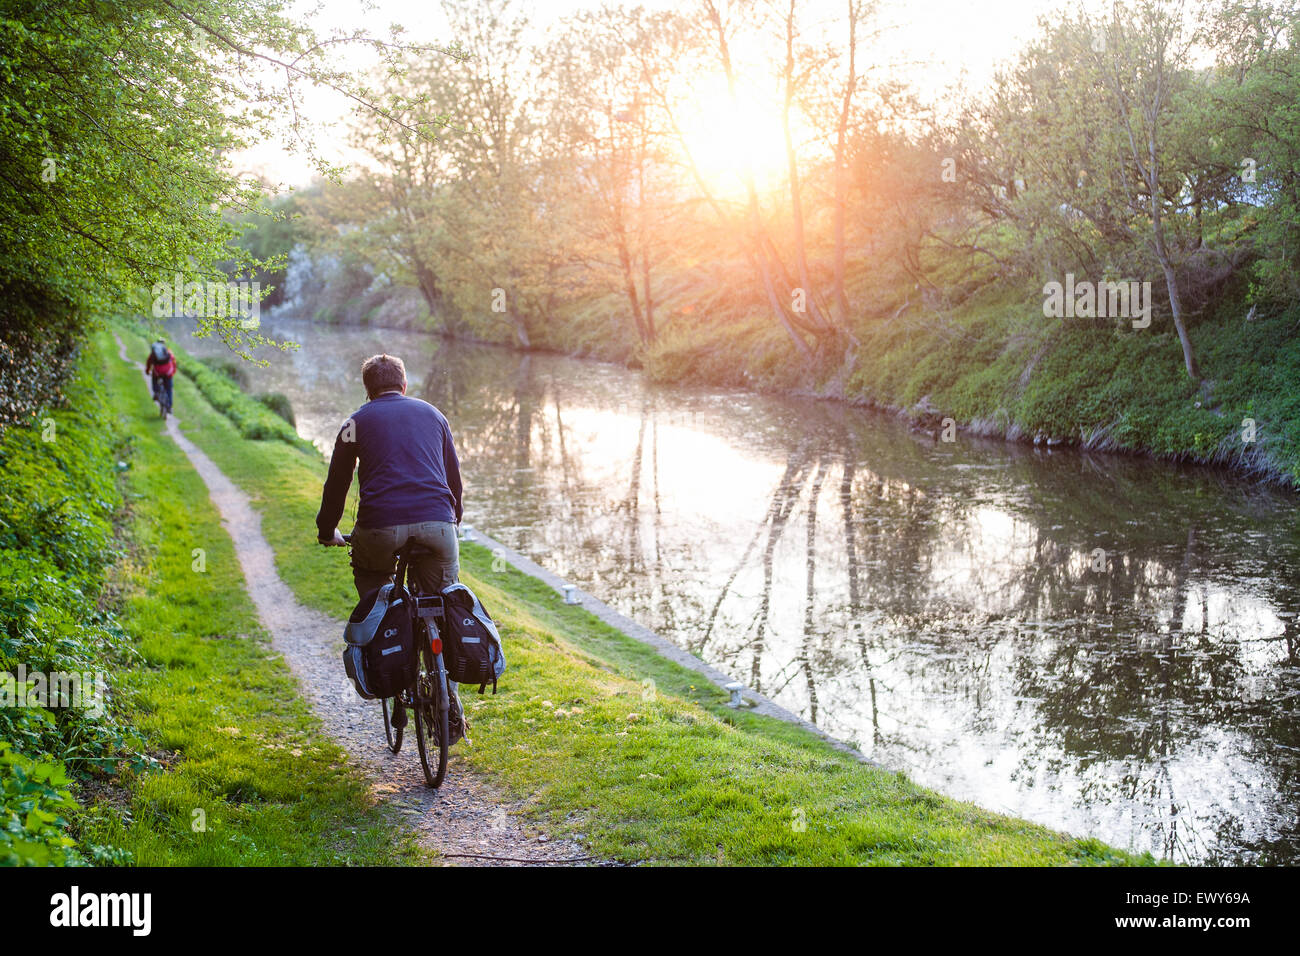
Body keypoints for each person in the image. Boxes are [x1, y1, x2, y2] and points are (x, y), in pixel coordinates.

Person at [316, 353, 467, 741]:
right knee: (443, 601)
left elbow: (338, 483)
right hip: (438, 524)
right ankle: (448, 701)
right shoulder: (434, 415)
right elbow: (453, 477)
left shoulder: (355, 422)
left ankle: (391, 659)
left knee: (374, 582)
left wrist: (327, 529)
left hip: (379, 527)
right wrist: (452, 520)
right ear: (404, 385)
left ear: (367, 391)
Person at [144, 339, 176, 411]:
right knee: (169, 389)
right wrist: (173, 371)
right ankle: (169, 407)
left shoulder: (153, 353)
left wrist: (147, 371)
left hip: (157, 372)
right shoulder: (168, 352)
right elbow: (174, 362)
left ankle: (156, 393)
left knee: (155, 380)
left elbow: (149, 362)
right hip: (168, 372)